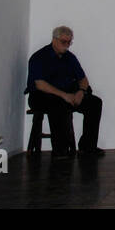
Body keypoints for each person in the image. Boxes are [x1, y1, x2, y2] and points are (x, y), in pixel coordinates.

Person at [26, 25, 104, 158]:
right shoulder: (39, 57)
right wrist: (64, 95)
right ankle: (60, 150)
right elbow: (40, 84)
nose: (67, 45)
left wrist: (80, 92)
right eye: (64, 42)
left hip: (68, 93)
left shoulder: (70, 58)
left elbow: (83, 79)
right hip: (42, 96)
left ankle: (88, 146)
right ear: (54, 40)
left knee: (95, 103)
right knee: (58, 104)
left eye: (69, 42)